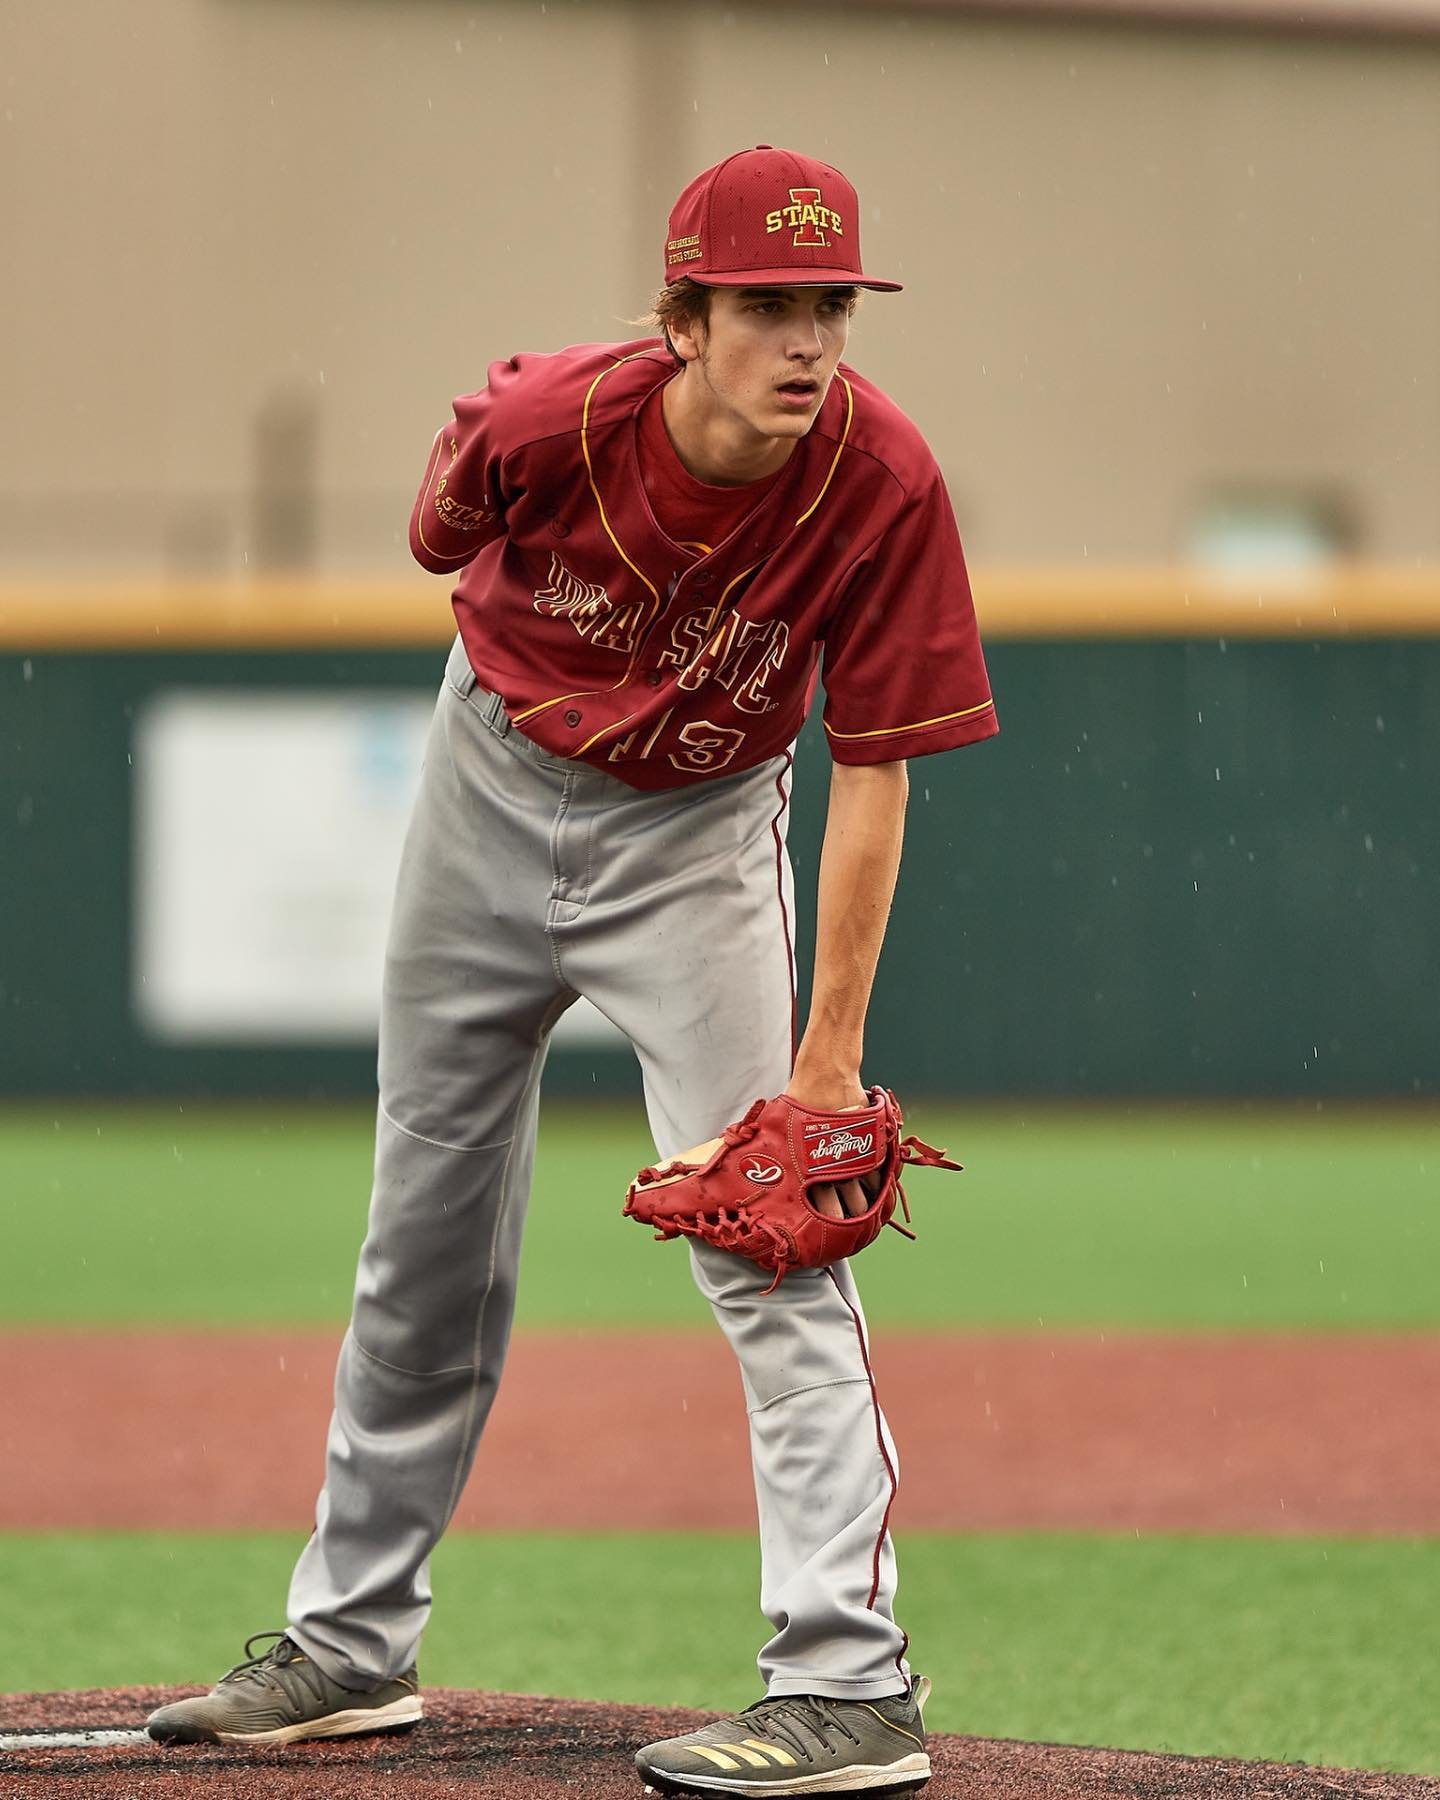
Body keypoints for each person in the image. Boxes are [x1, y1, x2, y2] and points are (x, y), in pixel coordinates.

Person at [146, 144, 997, 1796]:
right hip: (487, 785)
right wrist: (504, 445)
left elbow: (878, 767)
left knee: (775, 1240)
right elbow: (430, 531)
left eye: (828, 303)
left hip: (694, 834)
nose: (807, 340)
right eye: (765, 304)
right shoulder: (556, 416)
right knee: (425, 1227)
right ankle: (349, 1643)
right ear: (689, 313)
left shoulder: (885, 481)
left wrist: (830, 1058)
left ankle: (846, 1681)